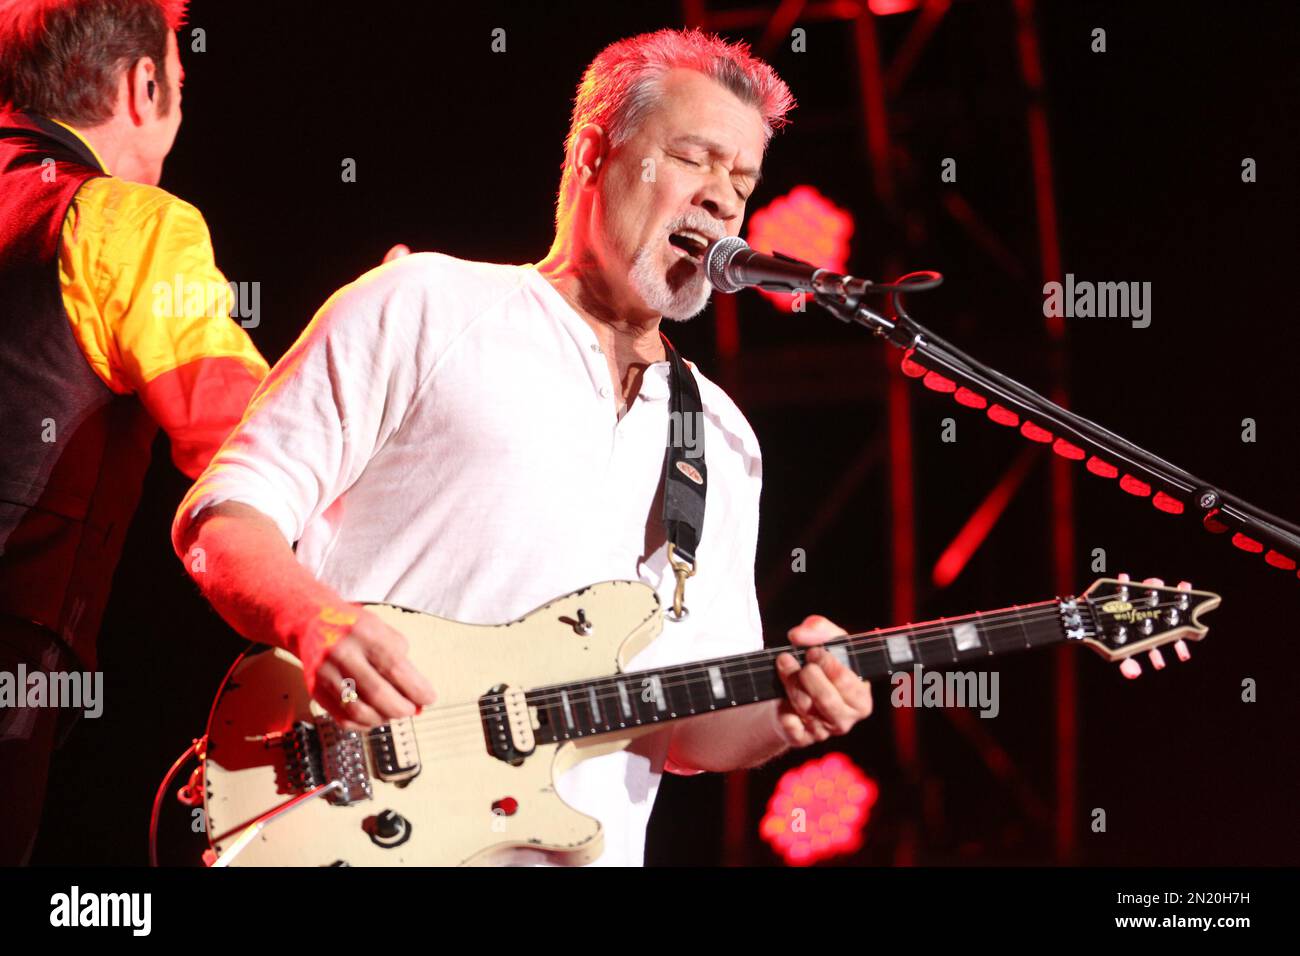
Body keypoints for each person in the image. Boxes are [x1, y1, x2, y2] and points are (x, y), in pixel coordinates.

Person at [172, 27, 873, 866]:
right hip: (351, 825)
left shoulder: (720, 436)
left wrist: (786, 712)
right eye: (696, 158)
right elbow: (222, 518)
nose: (725, 200)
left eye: (744, 180)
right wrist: (314, 621)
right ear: (592, 154)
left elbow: (687, 731)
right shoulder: (427, 302)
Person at [0, 0, 269, 864]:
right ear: (143, 84)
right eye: (179, 83)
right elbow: (246, 441)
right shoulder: (126, 224)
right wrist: (378, 346)